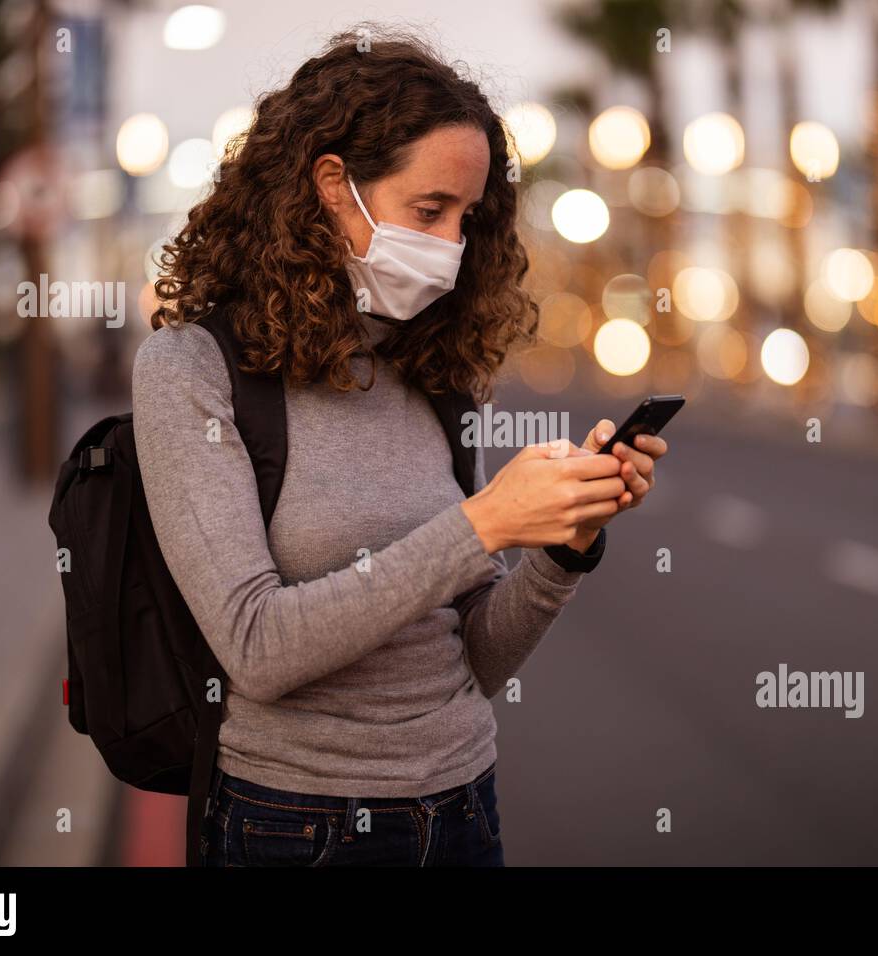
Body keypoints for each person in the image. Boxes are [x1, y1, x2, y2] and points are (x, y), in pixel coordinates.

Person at [131, 28, 668, 867]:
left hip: (463, 808)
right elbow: (258, 648)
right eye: (430, 211)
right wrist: (484, 523)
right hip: (293, 827)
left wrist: (564, 545)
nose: (453, 244)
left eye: (468, 217)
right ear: (334, 185)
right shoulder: (193, 371)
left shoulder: (436, 371)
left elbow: (477, 659)